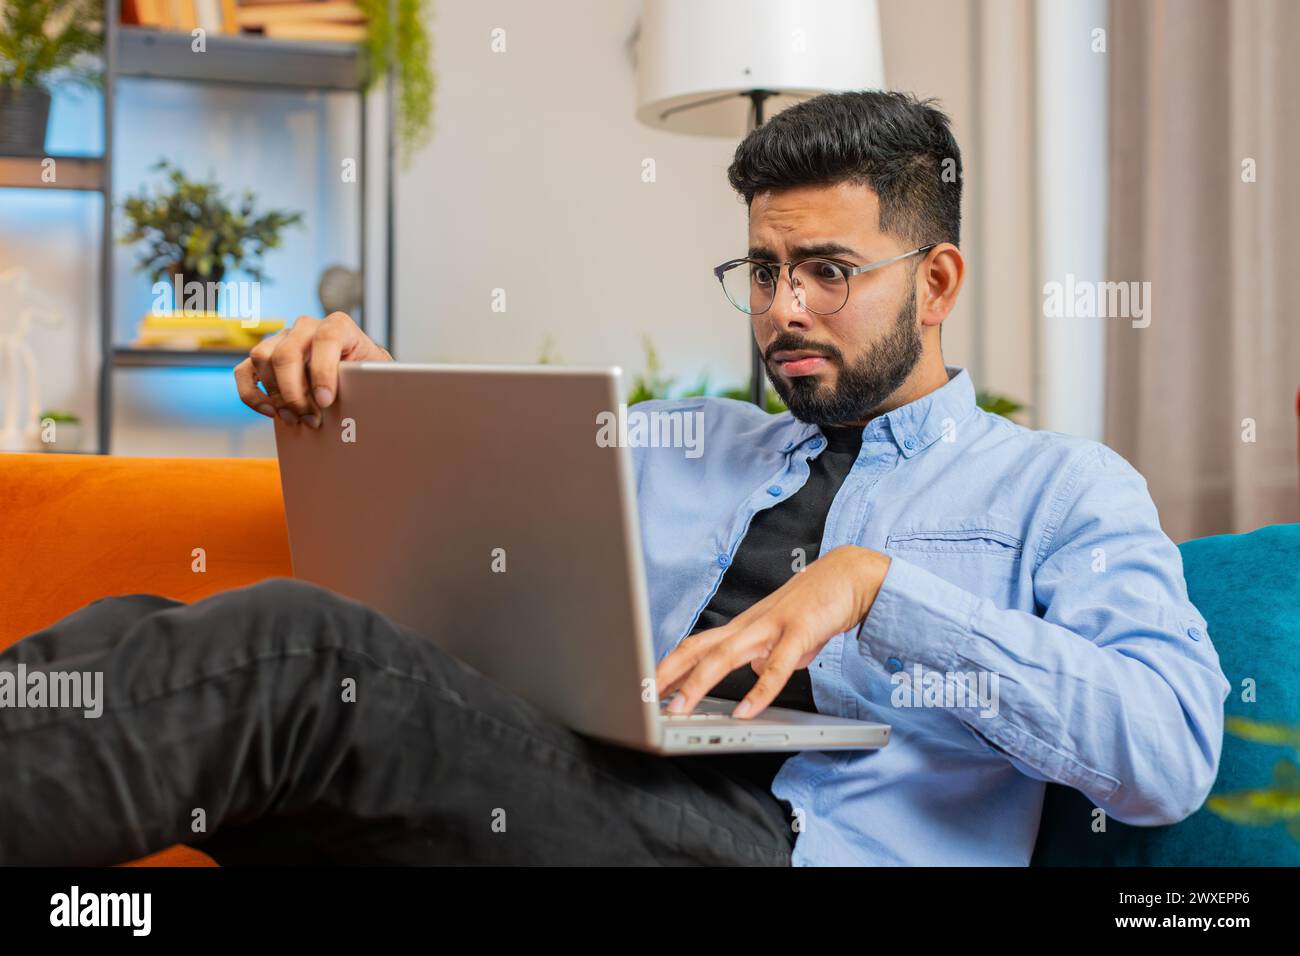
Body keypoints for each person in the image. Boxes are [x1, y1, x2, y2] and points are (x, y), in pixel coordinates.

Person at [0, 92, 1228, 867]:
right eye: (760, 269)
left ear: (937, 280)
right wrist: (362, 385)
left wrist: (875, 588)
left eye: (827, 270)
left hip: (779, 842)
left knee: (294, 655)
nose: (783, 309)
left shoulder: (1062, 489)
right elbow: (469, 543)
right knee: (145, 631)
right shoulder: (679, 438)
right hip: (565, 790)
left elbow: (1167, 746)